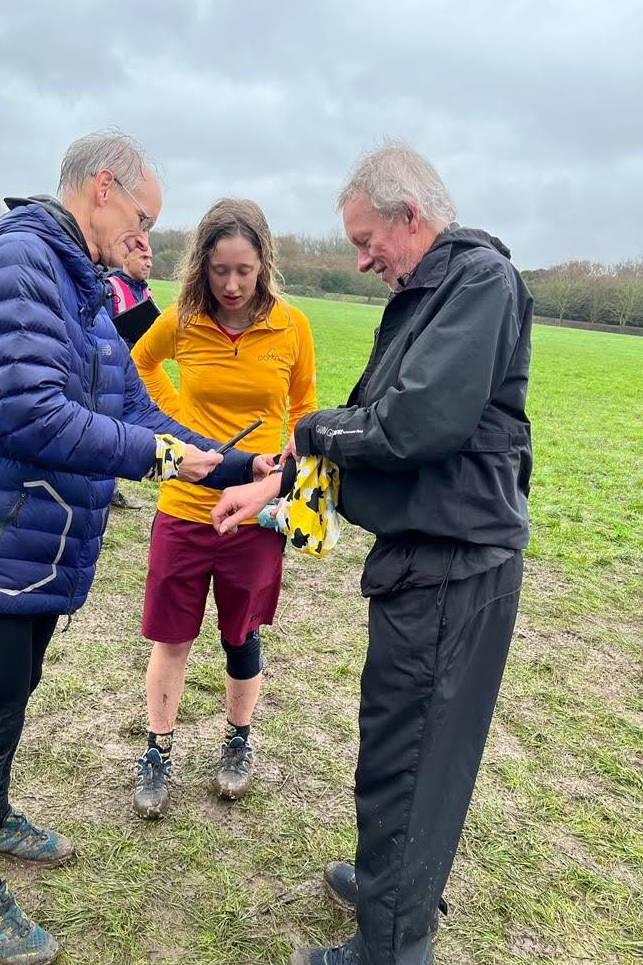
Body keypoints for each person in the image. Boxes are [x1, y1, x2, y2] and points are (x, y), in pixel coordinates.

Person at [0, 130, 269, 965]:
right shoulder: (23, 264)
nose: (144, 237)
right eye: (142, 216)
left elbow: (135, 407)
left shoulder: (80, 284)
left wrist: (234, 463)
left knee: (13, 699)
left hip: (34, 546)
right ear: (103, 188)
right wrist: (156, 459)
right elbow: (29, 411)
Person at [210, 142, 533, 965]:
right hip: (427, 557)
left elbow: (408, 425)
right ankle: (395, 882)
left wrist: (309, 432)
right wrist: (275, 493)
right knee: (402, 738)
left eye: (366, 241)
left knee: (414, 751)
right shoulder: (433, 290)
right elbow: (370, 426)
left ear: (409, 216)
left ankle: (391, 943)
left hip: (454, 565)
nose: (360, 261)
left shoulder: (478, 283)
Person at [129, 197, 317, 819]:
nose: (232, 285)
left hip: (255, 514)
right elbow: (140, 366)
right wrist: (175, 426)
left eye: (244, 270)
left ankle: (239, 742)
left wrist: (282, 472)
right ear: (201, 268)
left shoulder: (292, 325)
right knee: (172, 635)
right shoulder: (182, 318)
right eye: (219, 271)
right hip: (185, 504)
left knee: (242, 633)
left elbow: (306, 410)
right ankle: (157, 750)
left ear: (264, 262)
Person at [103, 242, 155, 509]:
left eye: (151, 258)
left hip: (137, 369)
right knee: (109, 426)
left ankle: (113, 488)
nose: (148, 263)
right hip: (110, 369)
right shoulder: (110, 288)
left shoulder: (147, 291)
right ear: (127, 257)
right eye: (143, 257)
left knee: (128, 427)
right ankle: (103, 487)